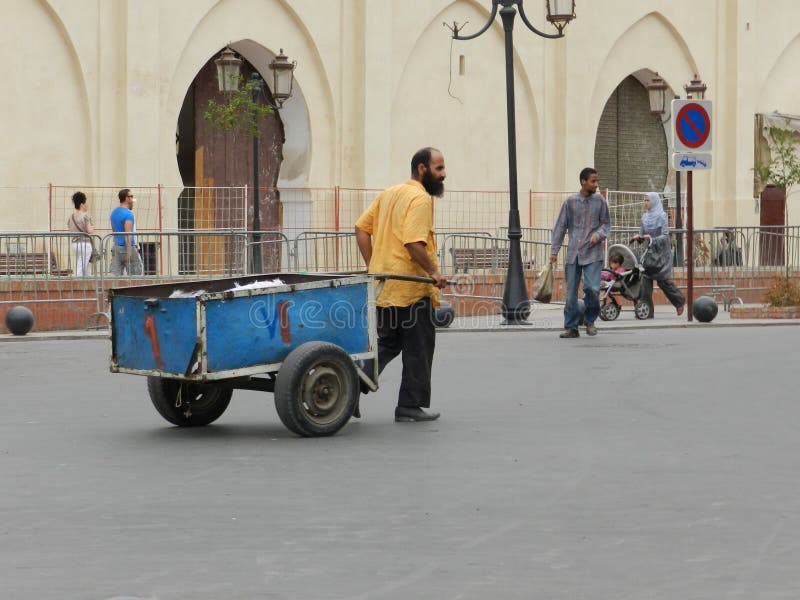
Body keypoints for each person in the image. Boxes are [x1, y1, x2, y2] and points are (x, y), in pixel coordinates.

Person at [355, 147, 448, 422]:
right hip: (411, 287)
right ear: (422, 169)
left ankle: (351, 385)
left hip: (385, 285)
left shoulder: (390, 193)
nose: (443, 175)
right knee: (419, 347)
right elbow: (412, 242)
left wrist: (374, 265)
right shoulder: (419, 199)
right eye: (439, 168)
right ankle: (409, 405)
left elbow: (361, 229)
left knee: (388, 343)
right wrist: (434, 272)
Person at [550, 167, 611, 338]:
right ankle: (571, 327)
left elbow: (606, 224)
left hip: (593, 253)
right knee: (570, 293)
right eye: (593, 181)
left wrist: (597, 235)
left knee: (592, 288)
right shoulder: (570, 202)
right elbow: (560, 227)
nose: (596, 185)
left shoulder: (600, 201)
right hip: (573, 254)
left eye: (597, 181)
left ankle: (590, 320)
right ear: (583, 182)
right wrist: (554, 251)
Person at [631, 191, 686, 317]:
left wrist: (651, 238)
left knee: (663, 281)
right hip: (649, 253)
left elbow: (665, 236)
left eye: (648, 200)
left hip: (661, 254)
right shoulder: (644, 217)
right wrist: (638, 238)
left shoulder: (662, 216)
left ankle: (679, 302)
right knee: (645, 282)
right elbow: (642, 235)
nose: (645, 202)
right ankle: (646, 311)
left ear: (654, 201)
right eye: (645, 200)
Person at [109, 188, 143, 276]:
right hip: (128, 247)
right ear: (127, 198)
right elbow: (128, 234)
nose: (133, 200)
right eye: (131, 197)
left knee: (114, 276)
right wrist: (129, 251)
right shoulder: (129, 214)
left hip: (116, 247)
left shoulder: (114, 213)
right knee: (135, 276)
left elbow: (114, 231)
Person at [66, 191, 94, 277]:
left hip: (75, 243)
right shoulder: (85, 216)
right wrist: (93, 226)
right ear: (82, 204)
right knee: (81, 266)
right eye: (86, 202)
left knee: (84, 266)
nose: (87, 204)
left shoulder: (71, 217)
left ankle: (88, 284)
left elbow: (69, 227)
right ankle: (74, 284)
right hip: (85, 243)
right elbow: (89, 231)